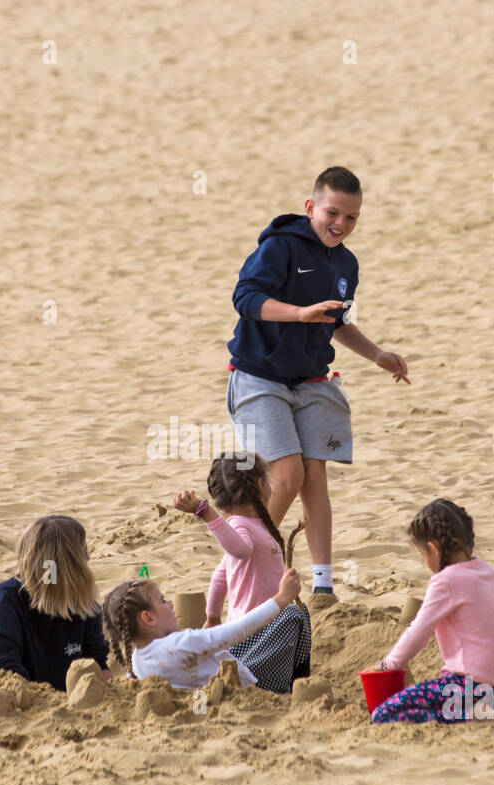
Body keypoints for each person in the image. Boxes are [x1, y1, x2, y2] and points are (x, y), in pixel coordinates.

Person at [225, 165, 409, 599]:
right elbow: (245, 299)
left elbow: (338, 322)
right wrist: (298, 313)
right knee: (285, 475)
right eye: (333, 213)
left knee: (314, 478)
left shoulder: (346, 263)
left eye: (352, 218)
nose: (341, 224)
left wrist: (378, 355)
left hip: (310, 381)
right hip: (258, 377)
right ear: (311, 207)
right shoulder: (280, 246)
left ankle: (323, 588)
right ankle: (246, 563)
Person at [170, 452, 312, 693]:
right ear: (259, 486)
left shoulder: (255, 525)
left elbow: (219, 577)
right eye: (268, 481)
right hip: (252, 633)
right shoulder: (239, 525)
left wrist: (214, 617)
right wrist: (205, 513)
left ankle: (296, 684)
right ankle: (272, 685)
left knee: (299, 615)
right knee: (293, 616)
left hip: (264, 627)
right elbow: (240, 549)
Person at [369, 500, 494, 724]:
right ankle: (480, 710)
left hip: (470, 687)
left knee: (383, 714)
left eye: (423, 554)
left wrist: (386, 666)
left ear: (434, 549)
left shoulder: (445, 582)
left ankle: (473, 714)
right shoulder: (485, 569)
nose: (424, 561)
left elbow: (418, 632)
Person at [0, 515, 110, 690]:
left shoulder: (82, 604)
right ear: (68, 565)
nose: (89, 558)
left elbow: (96, 664)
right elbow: (3, 679)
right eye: (83, 551)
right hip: (9, 709)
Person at [102, 569, 302, 691]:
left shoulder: (136, 658)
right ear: (149, 618)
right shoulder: (180, 644)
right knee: (293, 614)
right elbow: (238, 631)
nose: (171, 604)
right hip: (253, 687)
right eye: (163, 601)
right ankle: (296, 686)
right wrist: (282, 597)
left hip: (205, 697)